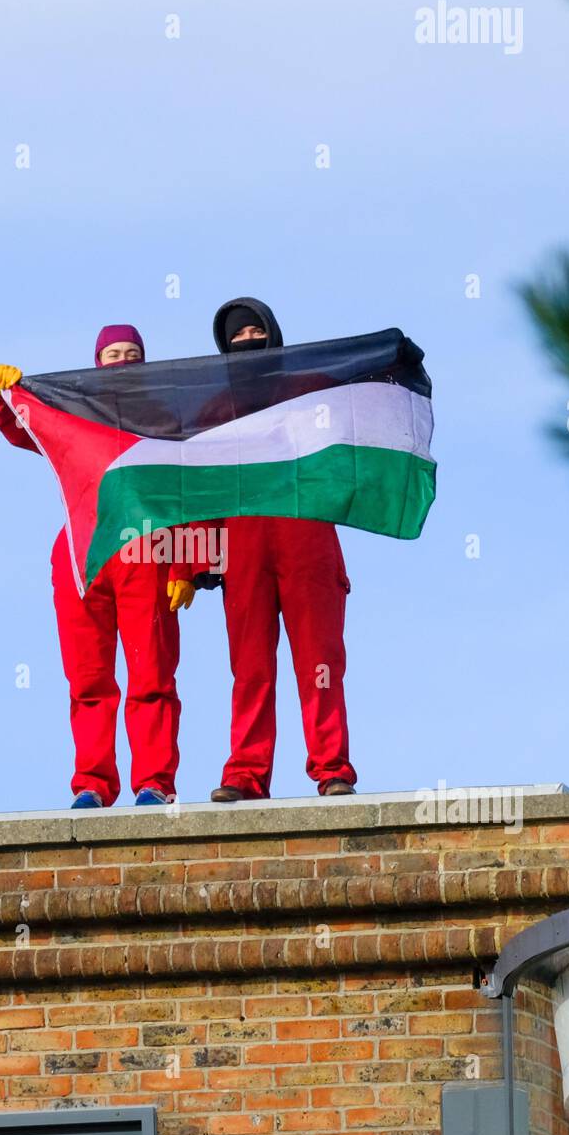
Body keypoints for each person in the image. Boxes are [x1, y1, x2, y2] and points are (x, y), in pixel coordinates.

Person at [0, 325, 198, 809]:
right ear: (97, 364)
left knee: (152, 675)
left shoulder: (165, 421)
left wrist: (187, 564)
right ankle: (92, 785)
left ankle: (155, 783)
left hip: (147, 553)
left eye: (133, 354)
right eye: (113, 354)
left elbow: (189, 491)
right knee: (88, 678)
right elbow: (23, 427)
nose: (122, 361)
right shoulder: (72, 414)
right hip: (81, 556)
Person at [208, 298, 357, 801]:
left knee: (319, 662)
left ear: (273, 334)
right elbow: (196, 486)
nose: (248, 340)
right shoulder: (213, 410)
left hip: (307, 542)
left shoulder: (312, 392)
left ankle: (332, 767)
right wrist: (192, 560)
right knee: (250, 669)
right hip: (243, 549)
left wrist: (391, 368)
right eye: (238, 335)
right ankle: (246, 774)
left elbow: (351, 436)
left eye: (256, 331)